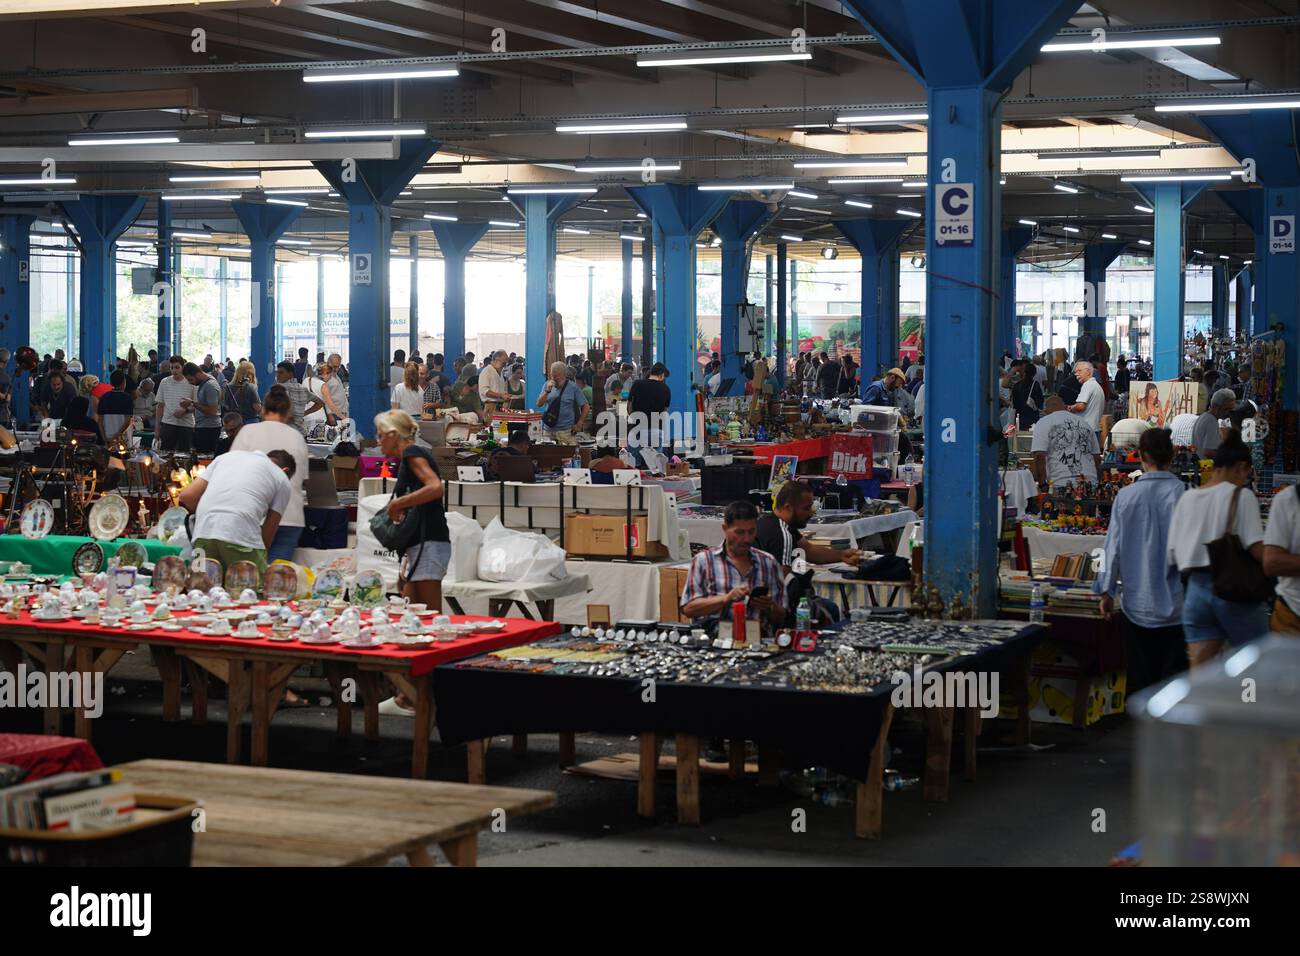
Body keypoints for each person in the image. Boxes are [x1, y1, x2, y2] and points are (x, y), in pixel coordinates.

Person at [1094, 428, 1187, 691]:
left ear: (1142, 456)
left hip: (1136, 604)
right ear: (1172, 455)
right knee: (1173, 685)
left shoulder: (1126, 496)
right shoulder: (1184, 494)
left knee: (1140, 680)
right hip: (1176, 605)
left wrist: (1106, 591)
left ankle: (1141, 730)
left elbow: (1112, 548)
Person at [1168, 433, 1270, 667]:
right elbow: (1256, 549)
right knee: (1253, 665)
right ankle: (1249, 700)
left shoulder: (1188, 497)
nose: (1247, 479)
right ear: (1241, 467)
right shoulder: (1241, 496)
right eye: (1247, 473)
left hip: (1194, 593)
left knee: (1199, 671)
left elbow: (1172, 553)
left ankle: (1199, 704)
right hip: (1233, 590)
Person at [376, 408, 450, 654]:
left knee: (427, 618)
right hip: (419, 544)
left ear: (393, 434)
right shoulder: (409, 457)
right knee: (413, 618)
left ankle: (432, 677)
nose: (377, 441)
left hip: (429, 542)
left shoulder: (411, 453)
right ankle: (412, 688)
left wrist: (398, 503)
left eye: (380, 435)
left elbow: (435, 487)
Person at [178, 448, 295, 578]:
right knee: (251, 594)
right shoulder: (281, 478)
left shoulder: (225, 458)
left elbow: (187, 496)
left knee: (202, 590)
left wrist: (208, 514)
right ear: (285, 471)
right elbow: (268, 534)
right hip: (242, 538)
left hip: (203, 535)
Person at [756, 481, 861, 623]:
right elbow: (785, 581)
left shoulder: (768, 522)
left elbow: (809, 549)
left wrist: (841, 555)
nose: (811, 512)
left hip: (763, 598)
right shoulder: (782, 534)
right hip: (772, 604)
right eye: (806, 508)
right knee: (829, 609)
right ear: (788, 507)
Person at [681, 499, 788, 630]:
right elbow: (689, 608)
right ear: (725, 529)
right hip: (715, 641)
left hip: (758, 642)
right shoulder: (704, 561)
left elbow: (782, 616)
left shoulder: (768, 562)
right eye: (740, 532)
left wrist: (769, 606)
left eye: (751, 532)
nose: (747, 539)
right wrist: (725, 599)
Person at [231, 389, 309, 562]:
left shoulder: (247, 432)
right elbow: (302, 479)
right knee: (276, 579)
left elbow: (231, 471)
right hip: (290, 516)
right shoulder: (297, 437)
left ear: (263, 409)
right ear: (288, 412)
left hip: (253, 514)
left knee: (248, 575)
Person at [1031, 394, 1100, 488]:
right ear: (1065, 407)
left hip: (1060, 484)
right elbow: (1096, 457)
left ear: (1045, 411)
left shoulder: (1044, 422)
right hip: (1090, 483)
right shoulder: (1084, 423)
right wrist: (1098, 482)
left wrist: (1042, 484)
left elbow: (1039, 456)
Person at [536, 361, 588, 442]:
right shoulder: (547, 385)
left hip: (566, 431)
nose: (554, 379)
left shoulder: (573, 387)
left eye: (557, 376)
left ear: (564, 375)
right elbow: (539, 404)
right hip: (548, 430)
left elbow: (585, 406)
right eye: (552, 376)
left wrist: (579, 423)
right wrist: (547, 391)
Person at [155, 357, 196, 451]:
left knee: (184, 455)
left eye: (177, 367)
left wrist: (185, 410)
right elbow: (160, 406)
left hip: (186, 424)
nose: (174, 370)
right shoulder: (164, 382)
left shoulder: (191, 382)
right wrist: (157, 428)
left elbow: (197, 405)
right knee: (165, 454)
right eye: (171, 367)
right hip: (168, 423)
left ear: (183, 367)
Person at [271, 361, 324, 433]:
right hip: (299, 431)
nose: (277, 375)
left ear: (290, 374)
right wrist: (304, 413)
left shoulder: (279, 388)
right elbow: (320, 403)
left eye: (281, 372)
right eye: (277, 372)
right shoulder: (302, 388)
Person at [183, 361, 223, 454]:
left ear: (197, 374)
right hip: (204, 427)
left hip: (209, 429)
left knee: (204, 459)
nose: (190, 383)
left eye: (191, 380)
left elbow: (212, 411)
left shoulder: (210, 386)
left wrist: (192, 403)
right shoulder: (206, 383)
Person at [1192, 388, 1235, 455]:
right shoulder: (1211, 422)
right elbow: (1208, 452)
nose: (1229, 413)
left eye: (1231, 410)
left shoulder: (1203, 416)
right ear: (1216, 407)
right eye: (1226, 409)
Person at [98, 370, 135, 447]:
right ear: (123, 383)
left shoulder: (104, 397)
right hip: (122, 438)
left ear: (111, 383)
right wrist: (117, 436)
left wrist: (104, 438)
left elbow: (100, 421)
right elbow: (127, 421)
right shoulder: (127, 398)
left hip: (107, 437)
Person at [1068, 359, 1104, 437]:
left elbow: (1080, 406)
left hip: (1086, 430)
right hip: (1094, 429)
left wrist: (1070, 408)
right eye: (1075, 372)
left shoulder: (1088, 385)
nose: (1076, 374)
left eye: (1079, 371)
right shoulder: (1096, 385)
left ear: (1088, 372)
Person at [1010, 358, 1044, 429]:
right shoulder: (1035, 385)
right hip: (1033, 416)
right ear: (1034, 374)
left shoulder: (1017, 385)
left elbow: (1014, 404)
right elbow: (1040, 403)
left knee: (1020, 437)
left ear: (1024, 372)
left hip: (1020, 417)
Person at [477, 350, 510, 420]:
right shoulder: (486, 372)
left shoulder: (500, 373)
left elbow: (498, 390)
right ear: (497, 360)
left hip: (500, 406)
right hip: (490, 406)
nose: (505, 365)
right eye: (504, 363)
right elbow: (485, 391)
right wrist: (501, 395)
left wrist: (505, 394)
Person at [228, 360, 262, 426]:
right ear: (251, 374)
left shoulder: (229, 387)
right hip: (250, 422)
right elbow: (257, 407)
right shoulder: (250, 387)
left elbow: (226, 404)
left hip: (234, 422)